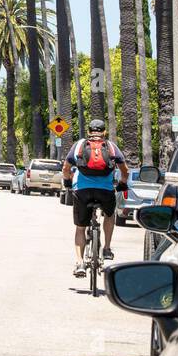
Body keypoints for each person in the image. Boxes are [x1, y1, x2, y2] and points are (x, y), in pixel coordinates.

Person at [63, 118, 129, 278]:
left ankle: (79, 263)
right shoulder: (111, 146)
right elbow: (124, 169)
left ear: (89, 131)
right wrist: (122, 184)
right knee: (109, 215)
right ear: (104, 131)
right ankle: (106, 248)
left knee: (80, 228)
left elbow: (66, 167)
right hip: (105, 190)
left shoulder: (79, 145)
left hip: (83, 191)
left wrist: (67, 182)